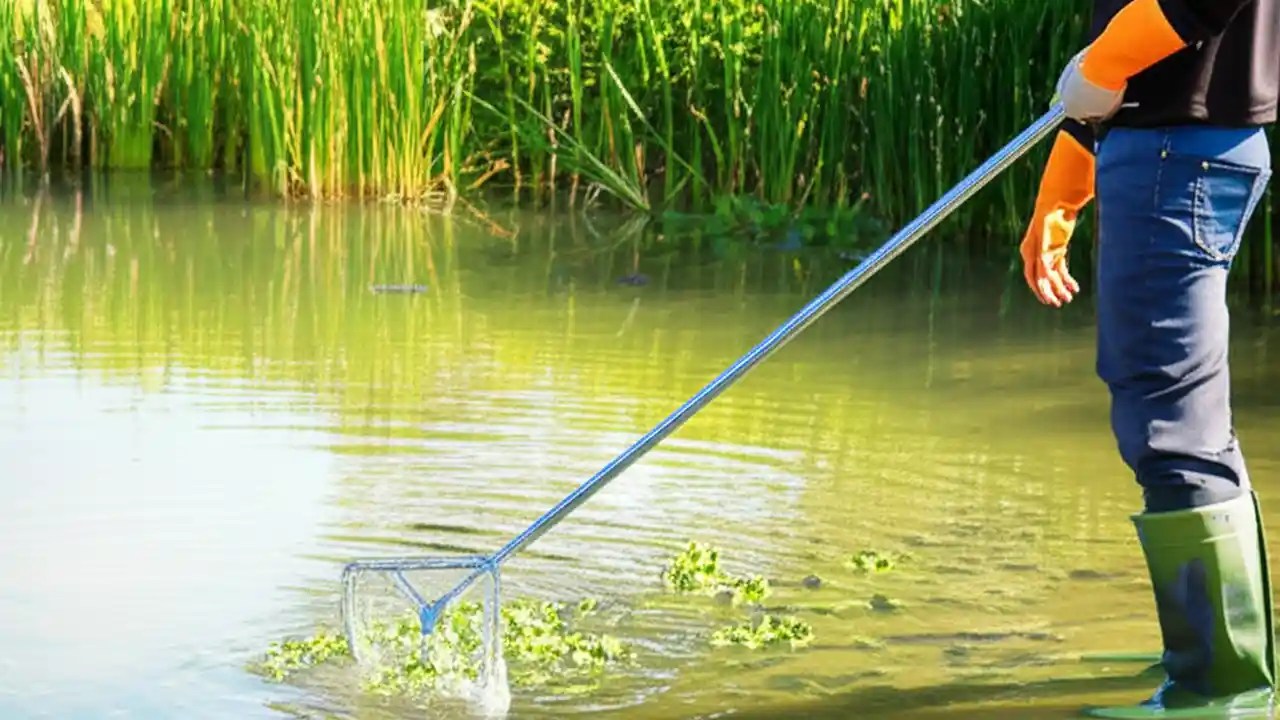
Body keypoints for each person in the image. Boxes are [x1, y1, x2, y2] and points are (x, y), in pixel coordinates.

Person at [1019, 0, 1279, 713]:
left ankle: (1217, 688)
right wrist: (1067, 176)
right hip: (1171, 149)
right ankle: (1224, 655)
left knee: (1170, 429)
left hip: (1176, 156)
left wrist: (1101, 68)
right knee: (1190, 420)